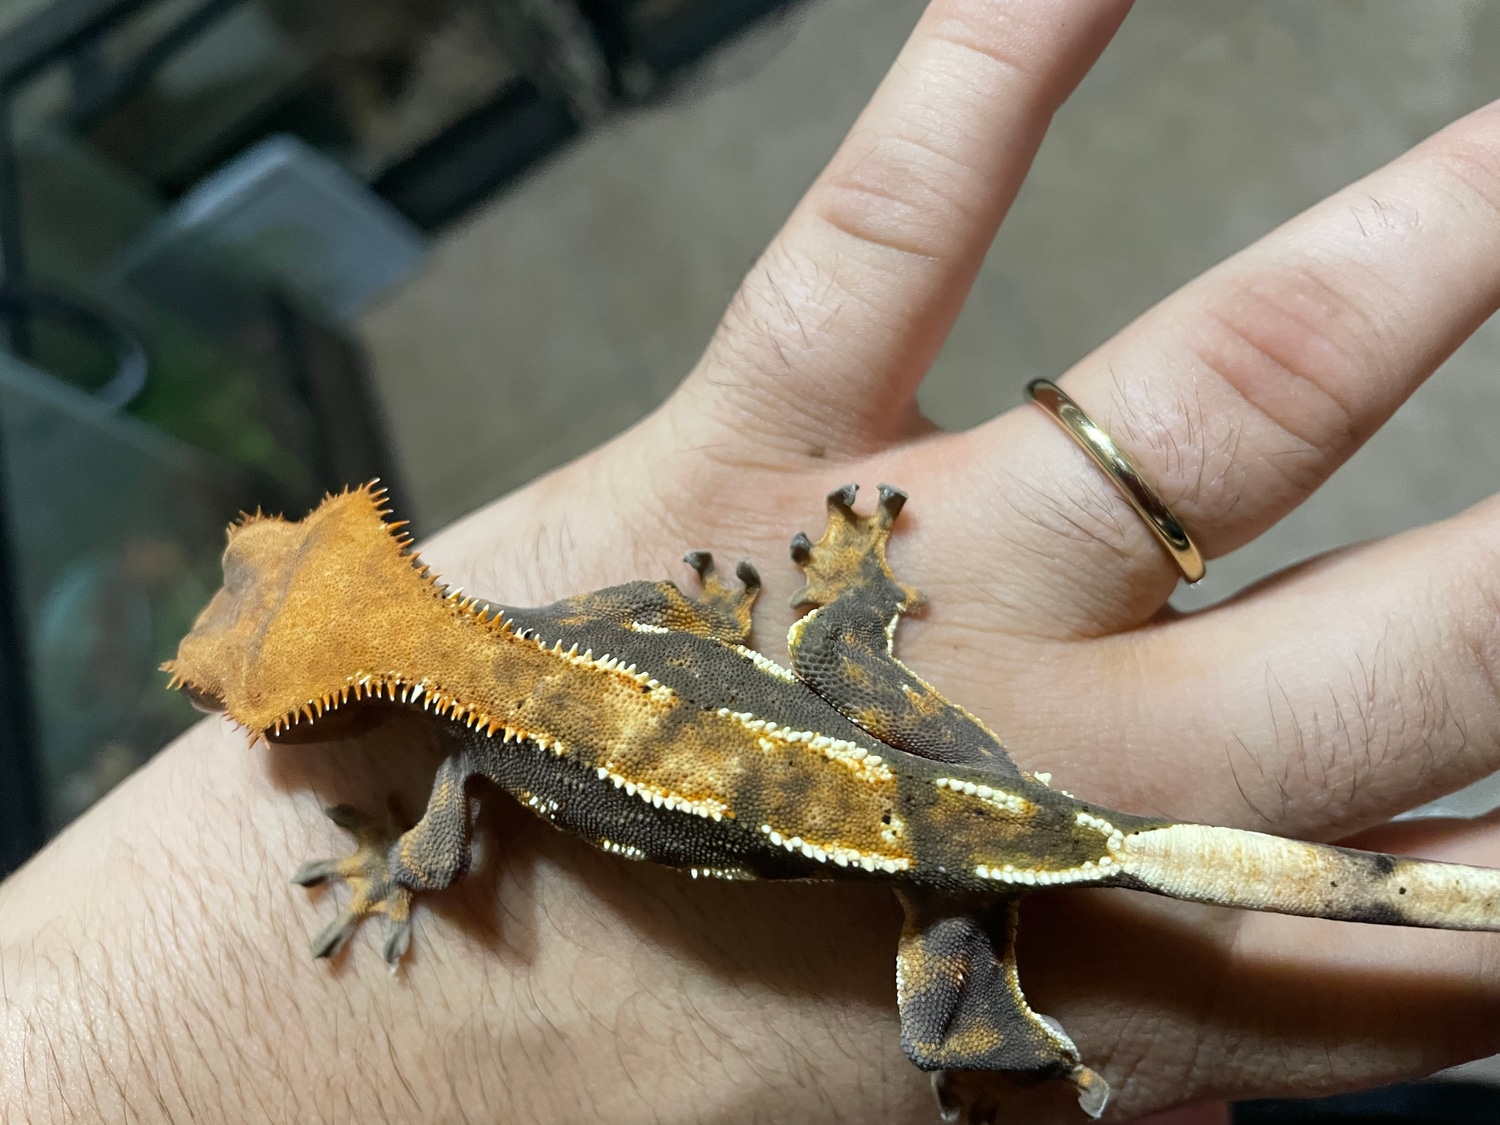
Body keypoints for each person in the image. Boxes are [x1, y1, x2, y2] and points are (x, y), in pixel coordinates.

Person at [6, 1, 1500, 1121]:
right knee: (835, 660)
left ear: (339, 709)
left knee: (941, 1022)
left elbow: (447, 855)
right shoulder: (540, 626)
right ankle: (869, 634)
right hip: (895, 750)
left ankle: (993, 1031)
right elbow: (652, 614)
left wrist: (395, 875)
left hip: (929, 849)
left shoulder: (475, 778)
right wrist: (799, 590)